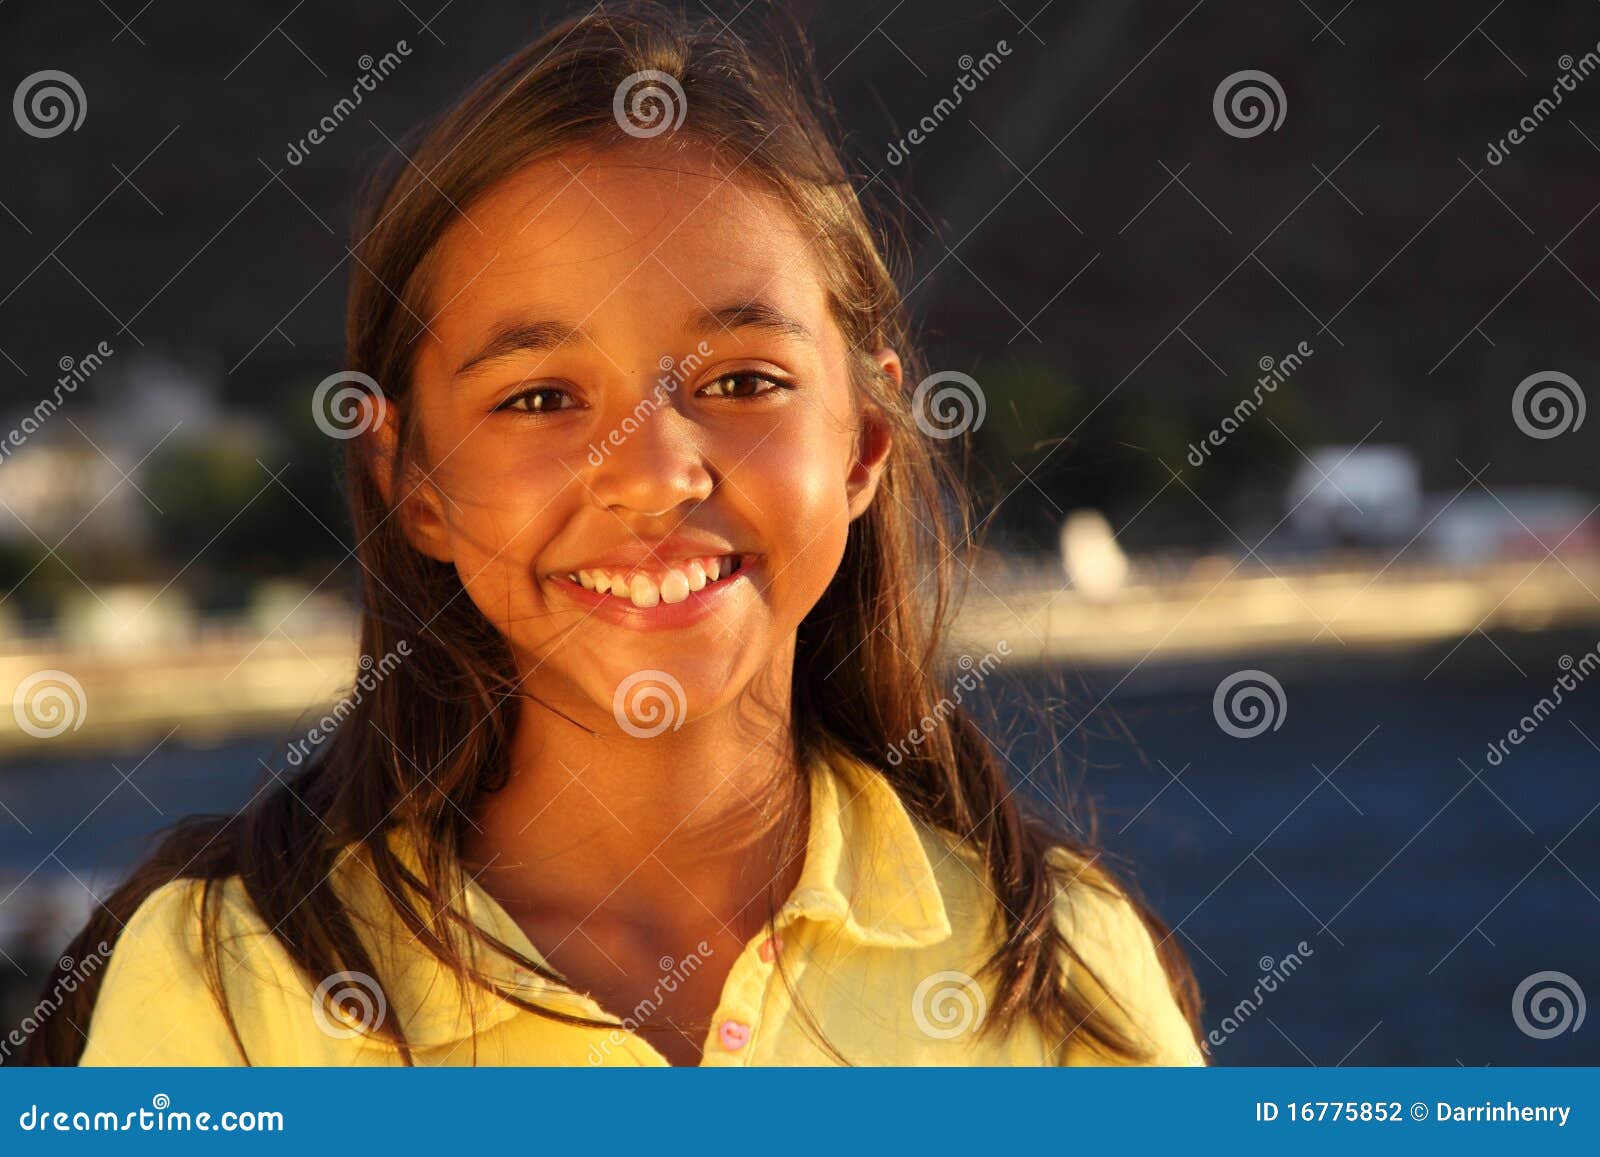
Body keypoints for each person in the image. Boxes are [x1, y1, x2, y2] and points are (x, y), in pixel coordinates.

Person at [32, 2, 1202, 1067]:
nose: (650, 475)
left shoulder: (1059, 975)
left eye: (744, 380)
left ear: (862, 444)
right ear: (414, 481)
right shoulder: (234, 987)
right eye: (539, 398)